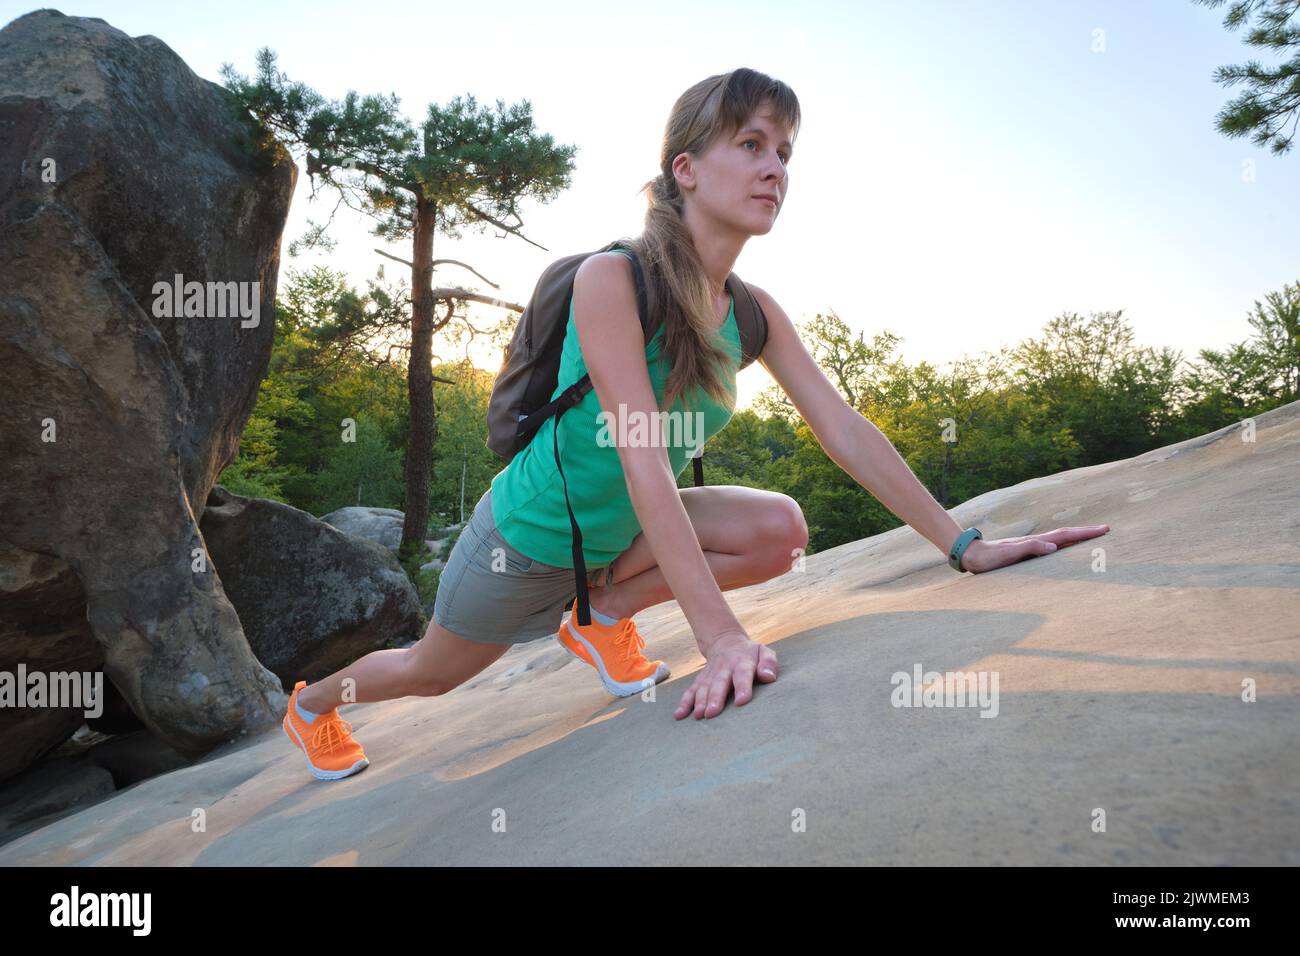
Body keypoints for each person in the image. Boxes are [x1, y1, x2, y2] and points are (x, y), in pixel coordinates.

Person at [282, 67, 1111, 781]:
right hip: (529, 536)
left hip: (620, 546)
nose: (775, 168)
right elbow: (643, 455)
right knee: (431, 674)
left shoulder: (753, 313)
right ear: (685, 168)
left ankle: (601, 620)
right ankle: (311, 704)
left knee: (781, 532)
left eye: (785, 152)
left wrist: (964, 546)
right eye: (751, 144)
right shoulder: (612, 279)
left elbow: (844, 430)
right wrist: (721, 639)